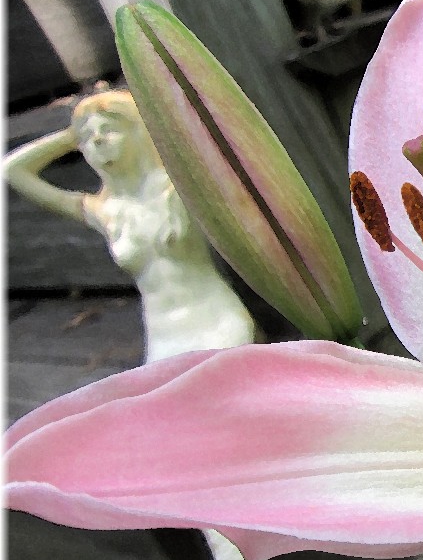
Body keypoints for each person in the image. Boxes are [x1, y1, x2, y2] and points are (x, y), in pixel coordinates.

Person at [4, 89, 255, 361]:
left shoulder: (178, 188)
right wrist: (71, 136)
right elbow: (12, 171)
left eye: (110, 130)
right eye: (88, 139)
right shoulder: (103, 211)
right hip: (163, 338)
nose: (98, 140)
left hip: (216, 322)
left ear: (139, 132)